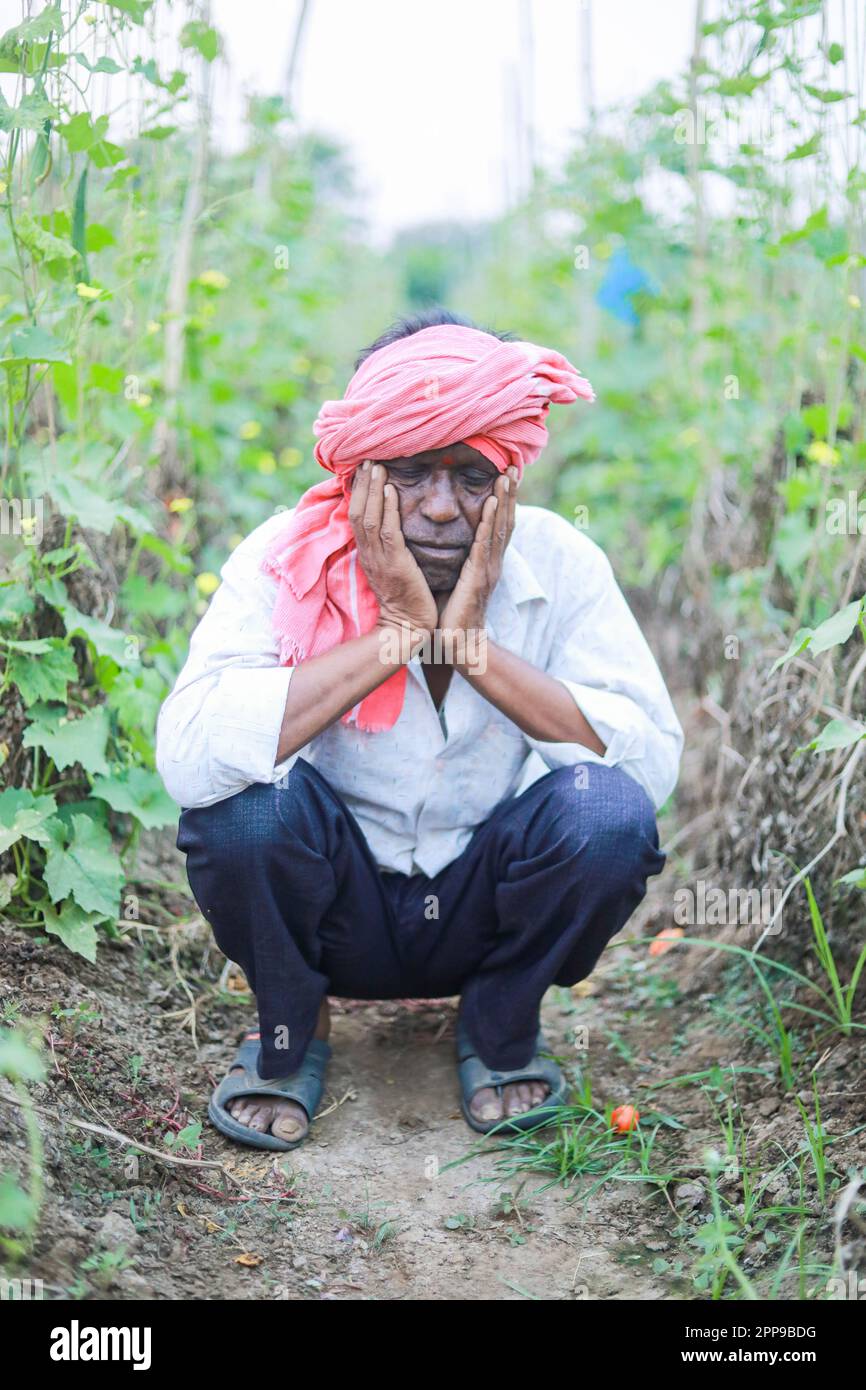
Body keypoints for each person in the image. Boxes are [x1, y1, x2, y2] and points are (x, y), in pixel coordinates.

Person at [156, 306, 683, 1152]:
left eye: (471, 476)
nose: (441, 509)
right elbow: (188, 760)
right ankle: (292, 1034)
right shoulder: (284, 557)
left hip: (480, 910)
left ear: (508, 481)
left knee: (605, 813)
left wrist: (473, 648)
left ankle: (502, 1024)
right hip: (334, 912)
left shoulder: (562, 563)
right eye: (411, 472)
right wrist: (393, 637)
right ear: (362, 474)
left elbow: (646, 771)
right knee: (240, 810)